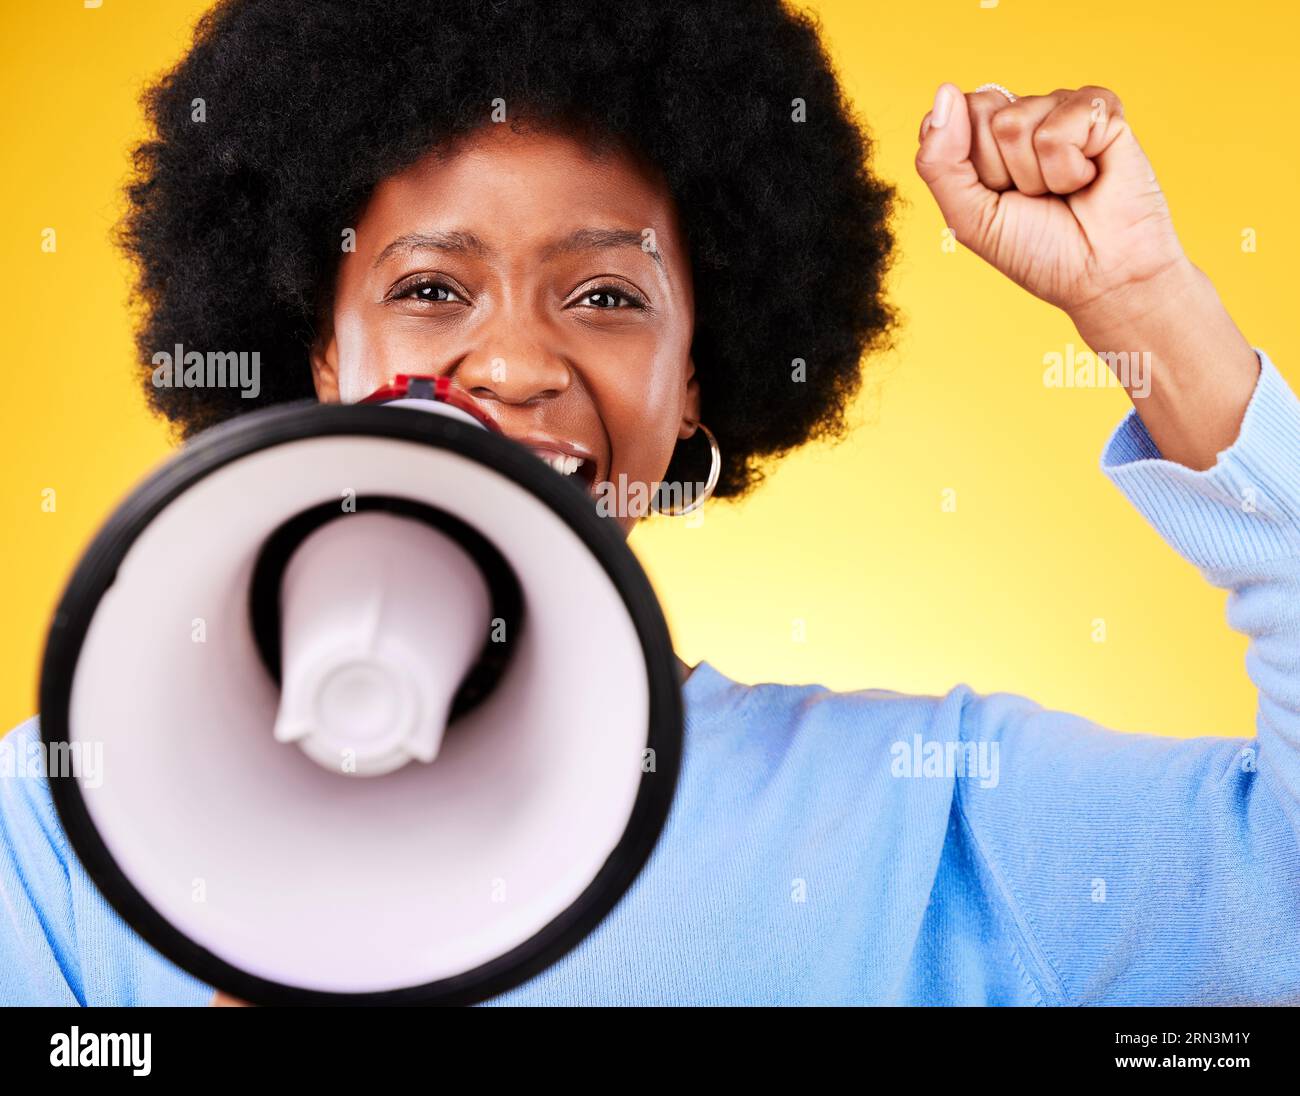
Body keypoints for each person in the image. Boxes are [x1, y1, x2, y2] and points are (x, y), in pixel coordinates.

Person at [2, 0, 1297, 1006]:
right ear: (320, 353)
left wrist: (1143, 311)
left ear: (696, 384)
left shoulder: (924, 818)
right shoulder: (67, 814)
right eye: (433, 290)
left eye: (608, 297)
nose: (512, 363)